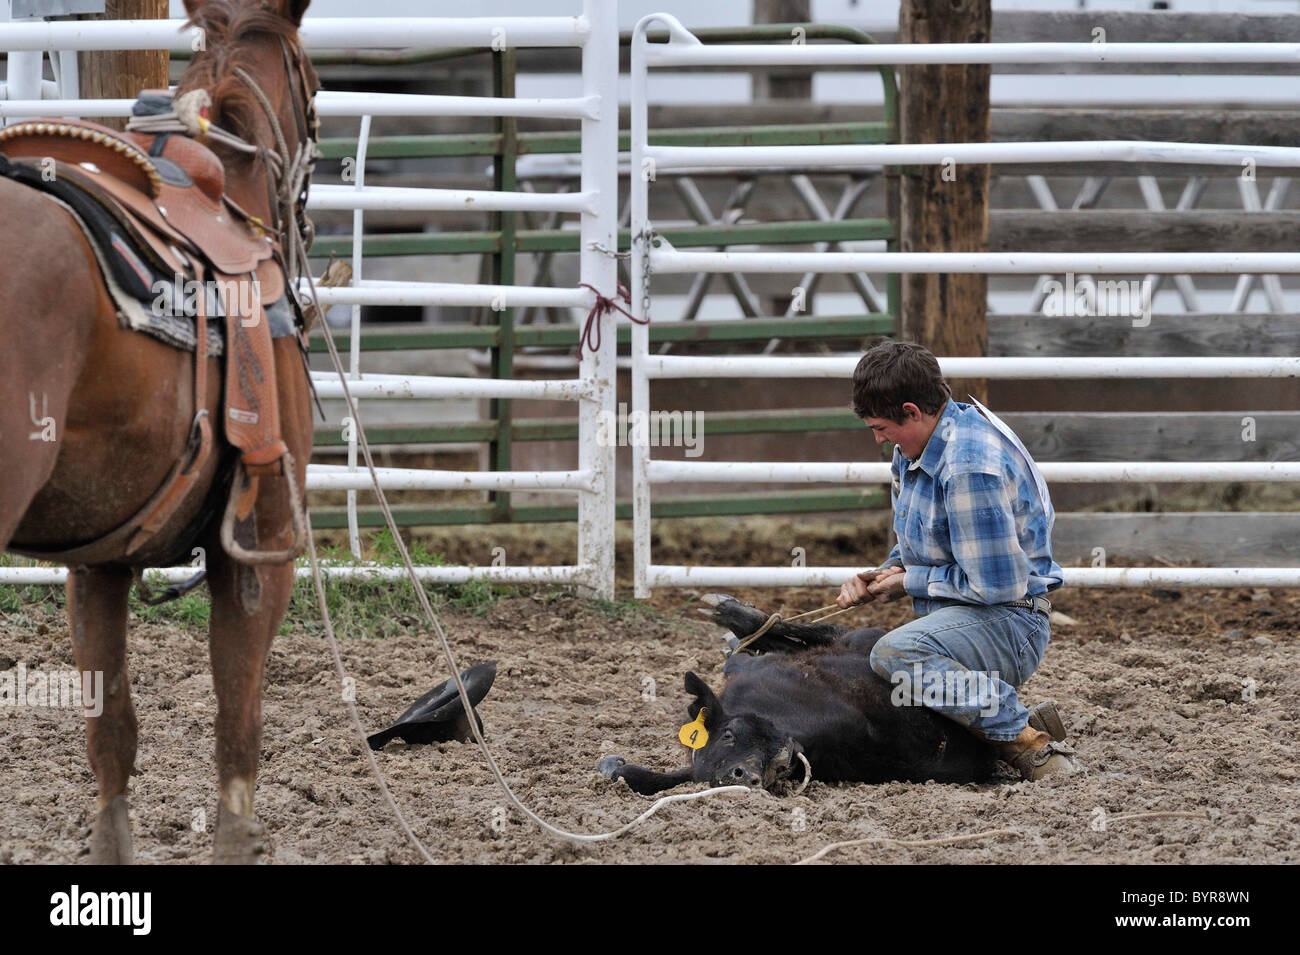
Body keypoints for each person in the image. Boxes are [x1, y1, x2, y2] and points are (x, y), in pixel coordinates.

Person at [836, 341, 1078, 781]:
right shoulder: (921, 445)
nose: (878, 438)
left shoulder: (969, 467)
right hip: (973, 616)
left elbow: (998, 587)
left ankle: (1025, 741)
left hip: (1012, 621)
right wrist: (884, 573)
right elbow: (924, 544)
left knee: (897, 652)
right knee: (877, 663)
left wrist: (909, 582)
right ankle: (988, 719)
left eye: (881, 426)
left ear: (912, 410)